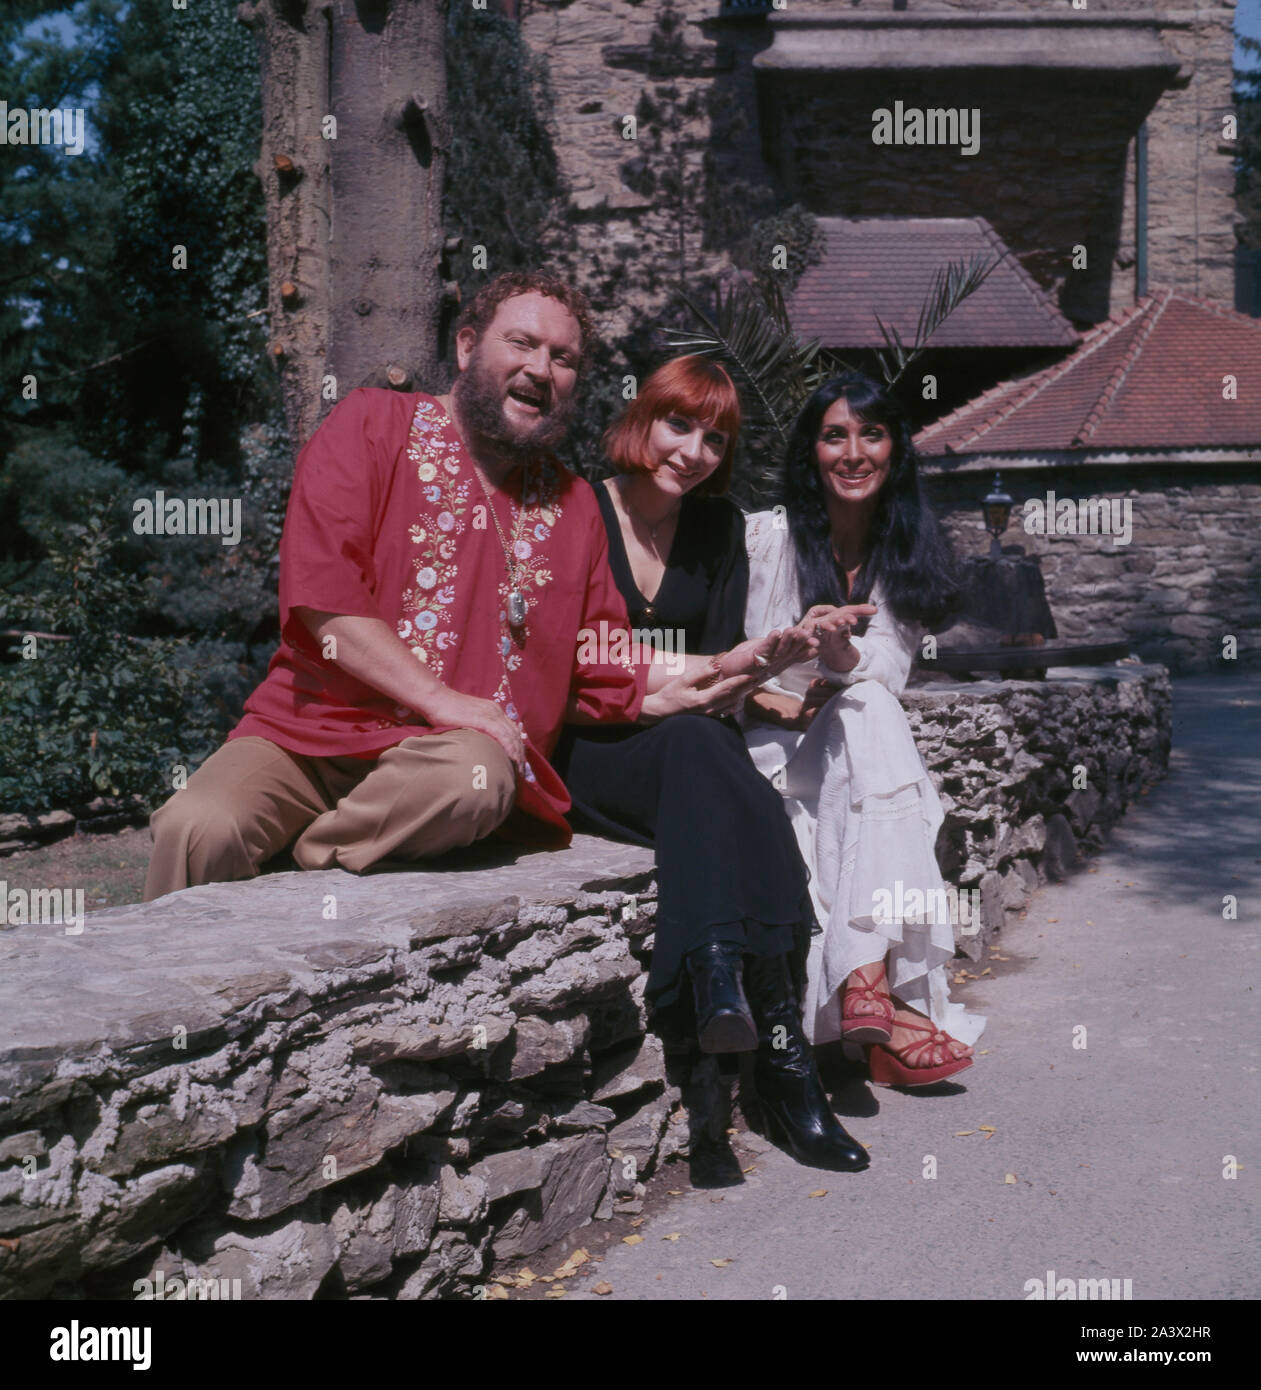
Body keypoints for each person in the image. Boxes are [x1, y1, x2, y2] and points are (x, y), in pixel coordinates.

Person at [143, 272, 749, 900]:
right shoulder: (370, 424)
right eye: (521, 343)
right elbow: (326, 600)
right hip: (307, 735)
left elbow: (598, 658)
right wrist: (442, 698)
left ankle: (295, 874)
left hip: (445, 765)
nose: (540, 369)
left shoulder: (573, 506)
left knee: (475, 776)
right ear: (466, 347)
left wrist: (720, 666)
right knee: (196, 826)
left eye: (562, 358)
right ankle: (149, 995)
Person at [552, 355, 870, 1172]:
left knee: (716, 759)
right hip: (593, 742)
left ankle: (729, 987)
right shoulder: (576, 510)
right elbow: (567, 658)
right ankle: (780, 1064)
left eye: (714, 437)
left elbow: (722, 674)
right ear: (642, 420)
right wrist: (682, 688)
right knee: (741, 791)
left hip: (691, 740)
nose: (693, 451)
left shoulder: (719, 528)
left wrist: (778, 654)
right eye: (679, 424)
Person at [740, 371, 986, 1087]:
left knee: (866, 708)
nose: (853, 452)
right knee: (869, 725)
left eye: (871, 434)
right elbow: (724, 665)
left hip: (845, 744)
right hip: (762, 744)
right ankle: (883, 997)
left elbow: (885, 669)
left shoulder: (902, 556)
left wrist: (839, 653)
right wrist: (780, 697)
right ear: (810, 451)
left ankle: (861, 982)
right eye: (834, 435)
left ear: (894, 449)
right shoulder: (765, 539)